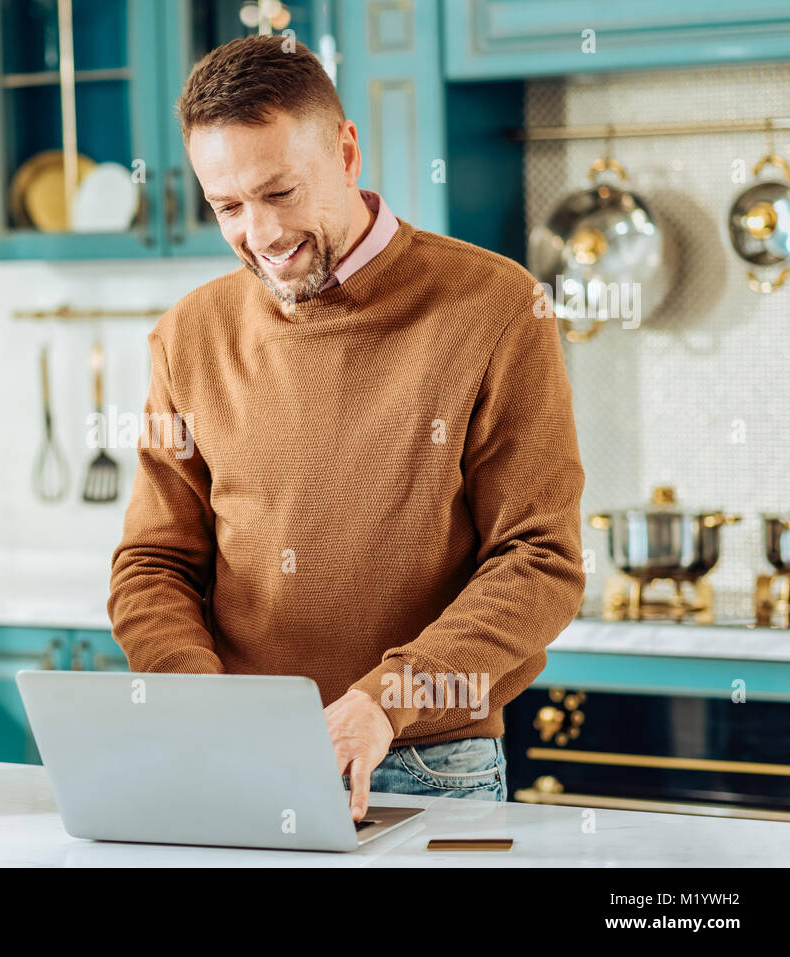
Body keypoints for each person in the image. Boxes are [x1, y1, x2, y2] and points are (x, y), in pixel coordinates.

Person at [107, 35, 586, 820]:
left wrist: (384, 700)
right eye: (228, 207)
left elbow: (540, 561)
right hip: (241, 764)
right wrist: (202, 704)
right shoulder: (187, 336)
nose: (259, 235)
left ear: (347, 150)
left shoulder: (496, 307)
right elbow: (154, 563)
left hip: (429, 764)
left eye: (281, 193)